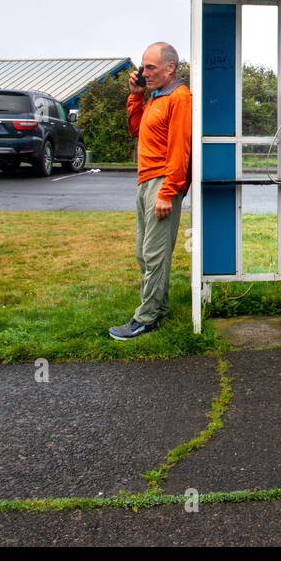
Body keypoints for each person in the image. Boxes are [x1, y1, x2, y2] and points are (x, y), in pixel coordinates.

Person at [109, 41, 192, 339]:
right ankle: (161, 308)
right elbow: (136, 130)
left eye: (151, 67)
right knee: (144, 255)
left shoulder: (180, 98)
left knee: (155, 255)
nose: (145, 72)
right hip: (145, 181)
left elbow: (181, 150)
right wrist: (136, 96)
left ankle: (145, 318)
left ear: (170, 67)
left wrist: (168, 192)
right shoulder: (156, 97)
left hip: (161, 182)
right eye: (144, 67)